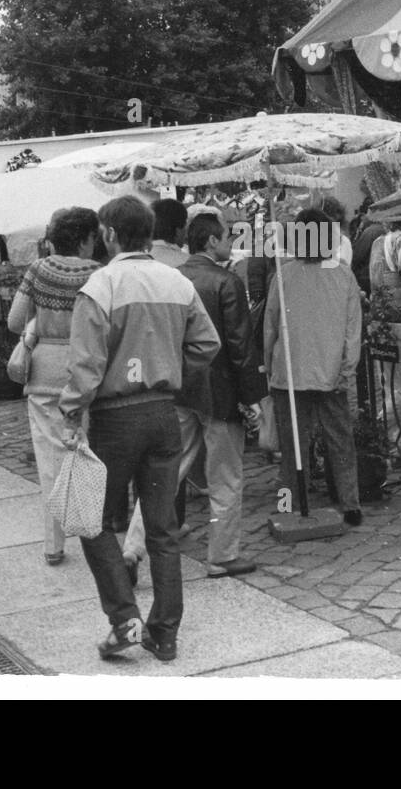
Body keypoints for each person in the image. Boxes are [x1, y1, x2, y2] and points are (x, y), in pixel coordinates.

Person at [59, 195, 219, 663]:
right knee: (162, 529)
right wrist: (172, 367)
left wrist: (70, 412)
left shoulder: (100, 286)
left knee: (95, 521)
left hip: (114, 418)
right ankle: (163, 633)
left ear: (108, 234)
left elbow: (85, 368)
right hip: (164, 414)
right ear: (148, 233)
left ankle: (123, 617)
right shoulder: (177, 281)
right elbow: (207, 343)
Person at [122, 213, 265, 578]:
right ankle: (221, 555)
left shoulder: (169, 279)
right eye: (226, 238)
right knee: (225, 478)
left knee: (166, 474)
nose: (229, 245)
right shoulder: (227, 281)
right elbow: (240, 347)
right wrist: (252, 397)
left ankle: (133, 547)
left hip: (178, 388)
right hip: (220, 393)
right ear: (211, 242)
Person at [6, 207, 100, 566]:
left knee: (50, 460)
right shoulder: (98, 274)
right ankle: (93, 529)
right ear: (84, 239)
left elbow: (15, 321)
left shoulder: (39, 270)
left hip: (44, 372)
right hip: (86, 370)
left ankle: (53, 543)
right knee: (85, 452)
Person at [265, 207, 364, 525]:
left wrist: (268, 367)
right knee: (340, 442)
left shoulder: (283, 275)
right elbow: (353, 331)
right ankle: (350, 504)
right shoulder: (343, 274)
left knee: (293, 447)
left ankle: (288, 504)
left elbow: (270, 327)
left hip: (289, 374)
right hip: (332, 372)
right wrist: (347, 370)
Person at [149, 198, 189, 268]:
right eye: (185, 225)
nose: (186, 233)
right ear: (178, 230)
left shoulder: (135, 259)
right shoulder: (189, 264)